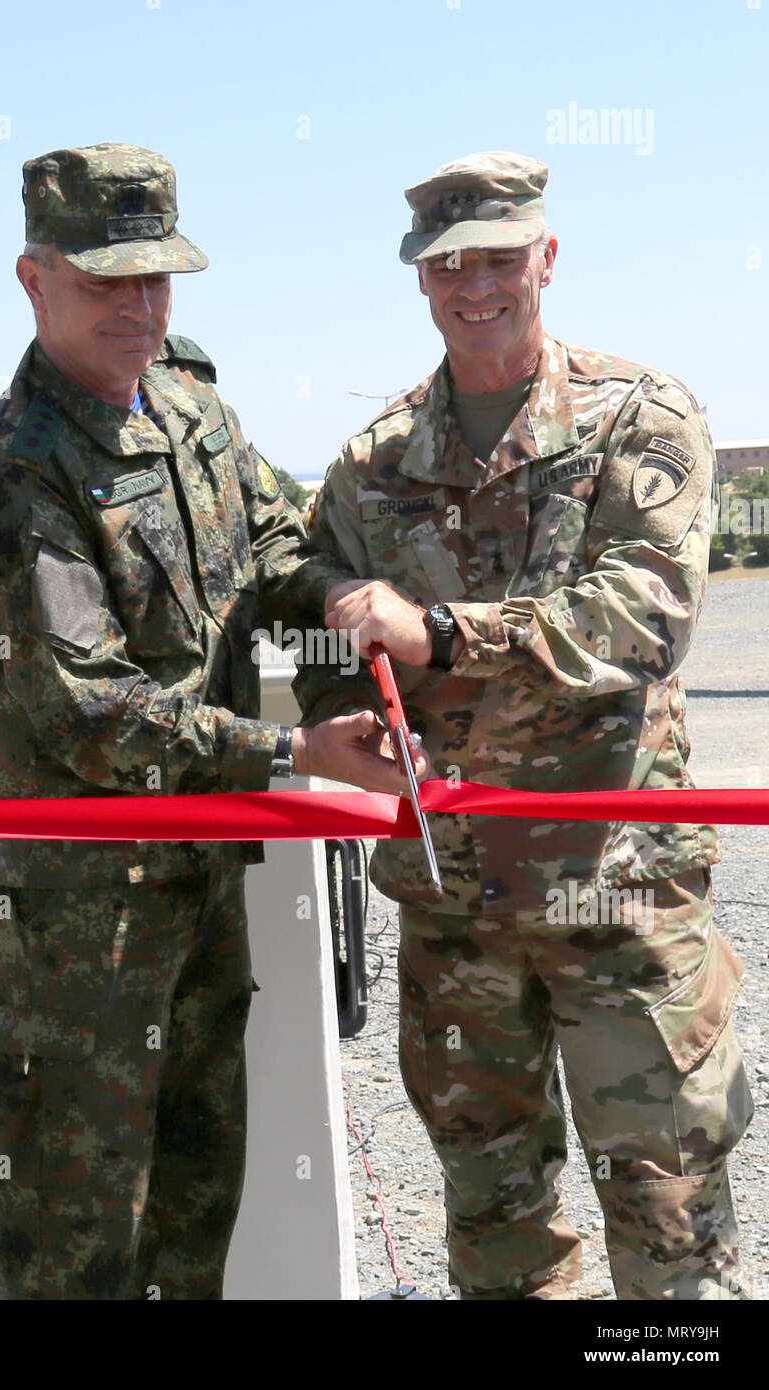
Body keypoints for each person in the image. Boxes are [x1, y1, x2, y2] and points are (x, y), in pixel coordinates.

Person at [0, 142, 419, 1301]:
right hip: (77, 931)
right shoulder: (14, 470)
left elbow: (276, 544)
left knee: (195, 1223)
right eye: (106, 280)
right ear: (33, 278)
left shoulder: (196, 414)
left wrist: (342, 601)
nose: (139, 307)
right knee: (74, 1248)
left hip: (198, 888)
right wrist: (293, 752)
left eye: (157, 279)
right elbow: (84, 707)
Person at [293, 151, 754, 1300]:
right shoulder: (369, 463)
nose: (475, 284)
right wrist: (342, 699)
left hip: (618, 893)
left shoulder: (639, 415)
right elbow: (319, 619)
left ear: (546, 257)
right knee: (493, 1215)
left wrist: (441, 632)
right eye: (449, 265)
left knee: (669, 1207)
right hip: (456, 914)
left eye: (499, 257)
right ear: (421, 281)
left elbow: (643, 613)